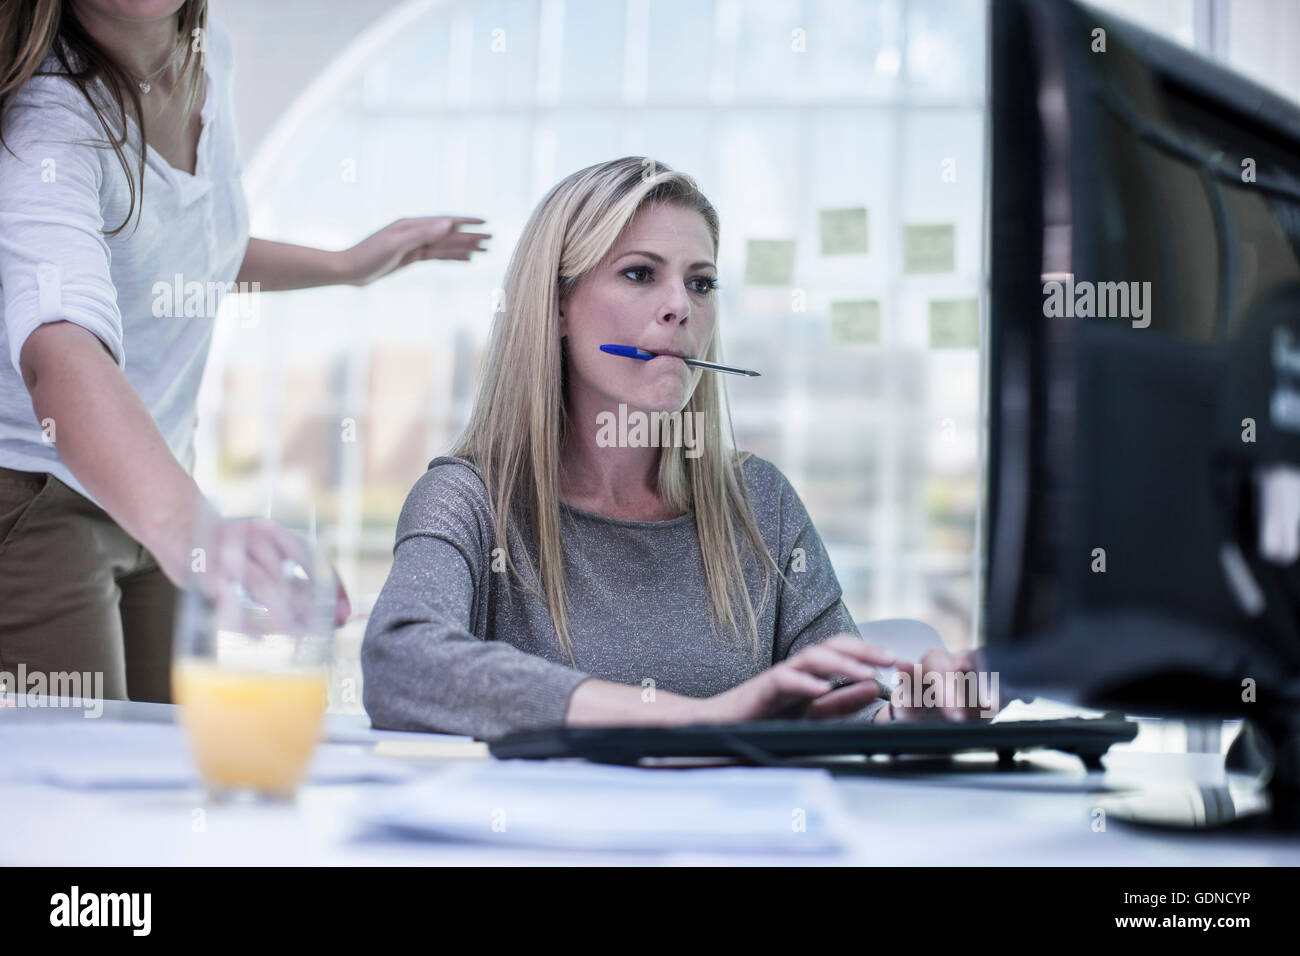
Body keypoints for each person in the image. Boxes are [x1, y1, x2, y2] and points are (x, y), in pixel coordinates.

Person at [361, 156, 989, 740]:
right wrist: (697, 719)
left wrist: (913, 716)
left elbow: (844, 707)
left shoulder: (759, 504)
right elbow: (401, 662)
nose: (679, 307)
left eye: (702, 283)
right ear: (555, 306)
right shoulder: (468, 500)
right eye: (640, 274)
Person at [0, 0, 489, 702]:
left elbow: (182, 262)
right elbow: (58, 349)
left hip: (158, 477)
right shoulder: (53, 126)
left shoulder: (208, 56)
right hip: (41, 491)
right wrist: (191, 528)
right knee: (84, 776)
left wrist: (348, 265)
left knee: (164, 767)